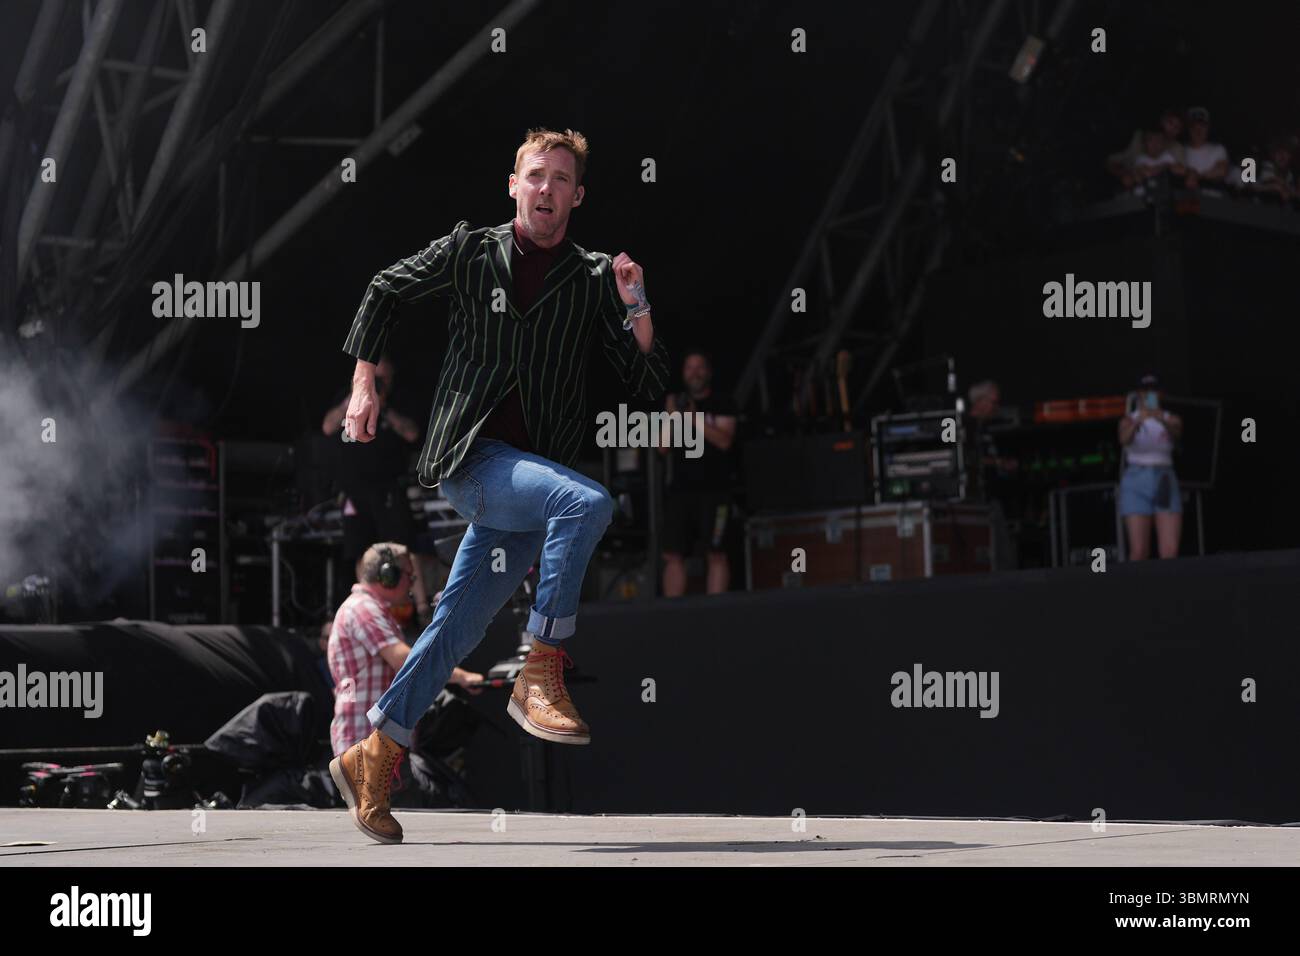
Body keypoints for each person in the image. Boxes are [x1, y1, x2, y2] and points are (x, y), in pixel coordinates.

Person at [328, 127, 670, 844]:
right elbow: (384, 288)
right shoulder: (470, 251)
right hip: (473, 458)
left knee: (456, 627)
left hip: (524, 483)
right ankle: (541, 671)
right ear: (513, 185)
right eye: (535, 176)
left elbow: (645, 382)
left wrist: (635, 305)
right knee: (587, 500)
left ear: (578, 195)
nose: (546, 189)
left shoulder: (590, 276)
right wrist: (363, 386)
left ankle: (375, 752)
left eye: (560, 179)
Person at [326, 543, 482, 759]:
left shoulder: (365, 607)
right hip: (365, 744)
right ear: (388, 575)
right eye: (409, 575)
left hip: (370, 743)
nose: (412, 582)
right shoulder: (364, 609)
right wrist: (462, 676)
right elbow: (403, 660)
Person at [321, 353, 434, 624]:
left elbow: (412, 434)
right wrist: (356, 395)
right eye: (374, 375)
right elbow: (327, 427)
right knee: (360, 549)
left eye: (383, 378)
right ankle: (368, 610)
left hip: (388, 489)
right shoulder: (347, 396)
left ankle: (421, 610)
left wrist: (383, 406)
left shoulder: (397, 403)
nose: (378, 381)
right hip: (354, 491)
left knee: (402, 546)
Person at [658, 350, 738, 596]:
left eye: (699, 367)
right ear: (683, 374)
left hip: (715, 490)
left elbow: (725, 441)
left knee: (716, 552)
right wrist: (672, 417)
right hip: (681, 489)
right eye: (689, 368)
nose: (694, 373)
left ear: (708, 372)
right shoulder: (675, 404)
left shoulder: (722, 402)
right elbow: (662, 447)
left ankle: (717, 613)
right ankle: (671, 614)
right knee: (672, 553)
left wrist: (693, 417)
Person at [1118, 374, 1183, 560]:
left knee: (1169, 551)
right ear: (1138, 394)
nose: (1149, 395)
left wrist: (1159, 418)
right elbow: (1123, 439)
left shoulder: (1171, 418)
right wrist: (1140, 419)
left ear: (1160, 394)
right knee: (1139, 551)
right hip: (1136, 478)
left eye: (1153, 391)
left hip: (1164, 477)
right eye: (1145, 391)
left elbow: (1177, 434)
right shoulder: (1129, 419)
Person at [1181, 107, 1229, 191]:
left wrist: (1198, 176)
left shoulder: (1218, 149)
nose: (1198, 130)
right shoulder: (1181, 149)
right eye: (1194, 127)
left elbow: (1222, 170)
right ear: (1188, 129)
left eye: (1202, 126)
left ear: (1208, 128)